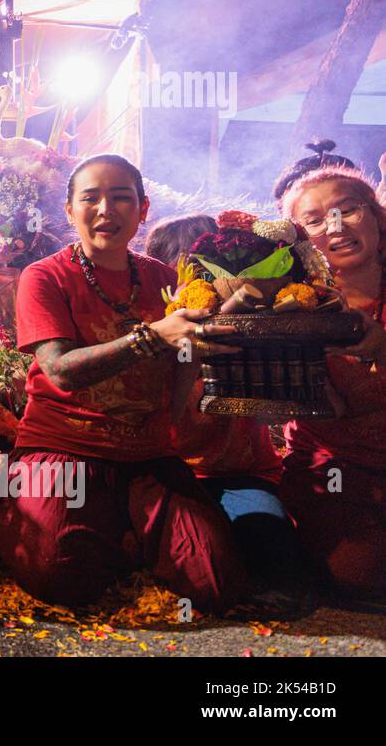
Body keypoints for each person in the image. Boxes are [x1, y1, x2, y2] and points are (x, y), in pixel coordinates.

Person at [0, 154, 248, 611]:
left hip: (146, 455)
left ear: (144, 209)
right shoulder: (44, 276)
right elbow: (60, 370)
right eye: (90, 198)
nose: (106, 210)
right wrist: (151, 336)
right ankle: (90, 520)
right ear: (70, 210)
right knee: (59, 575)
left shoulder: (167, 280)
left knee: (218, 581)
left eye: (121, 198)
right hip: (63, 448)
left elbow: (181, 365)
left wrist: (203, 345)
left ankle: (117, 525)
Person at [145, 213, 304, 595]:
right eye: (187, 275)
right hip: (166, 473)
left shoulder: (249, 327)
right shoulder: (150, 334)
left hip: (236, 475)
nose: (202, 290)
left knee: (272, 549)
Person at [278, 162, 386, 602]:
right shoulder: (292, 308)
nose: (335, 226)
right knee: (361, 580)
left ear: (377, 217)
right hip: (337, 466)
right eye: (315, 219)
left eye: (348, 209)